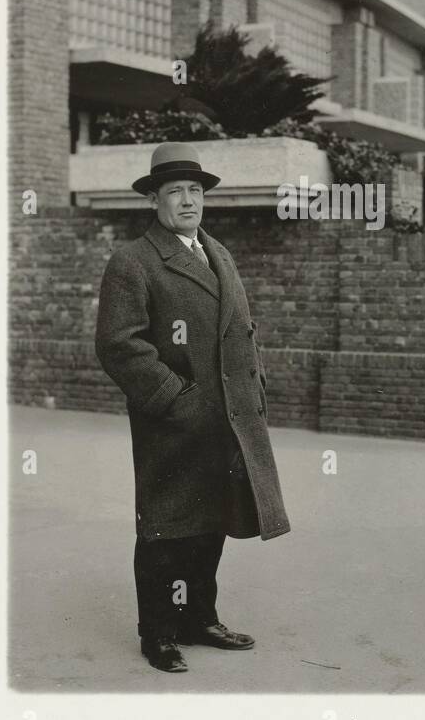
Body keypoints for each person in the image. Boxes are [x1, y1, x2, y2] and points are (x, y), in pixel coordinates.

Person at [95, 141, 290, 672]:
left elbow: (241, 334)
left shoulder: (218, 253)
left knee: (211, 524)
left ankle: (199, 617)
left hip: (228, 420)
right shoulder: (134, 261)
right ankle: (158, 633)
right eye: (175, 191)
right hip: (174, 424)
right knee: (165, 529)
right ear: (154, 200)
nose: (187, 201)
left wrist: (255, 392)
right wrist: (174, 399)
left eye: (195, 191)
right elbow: (120, 345)